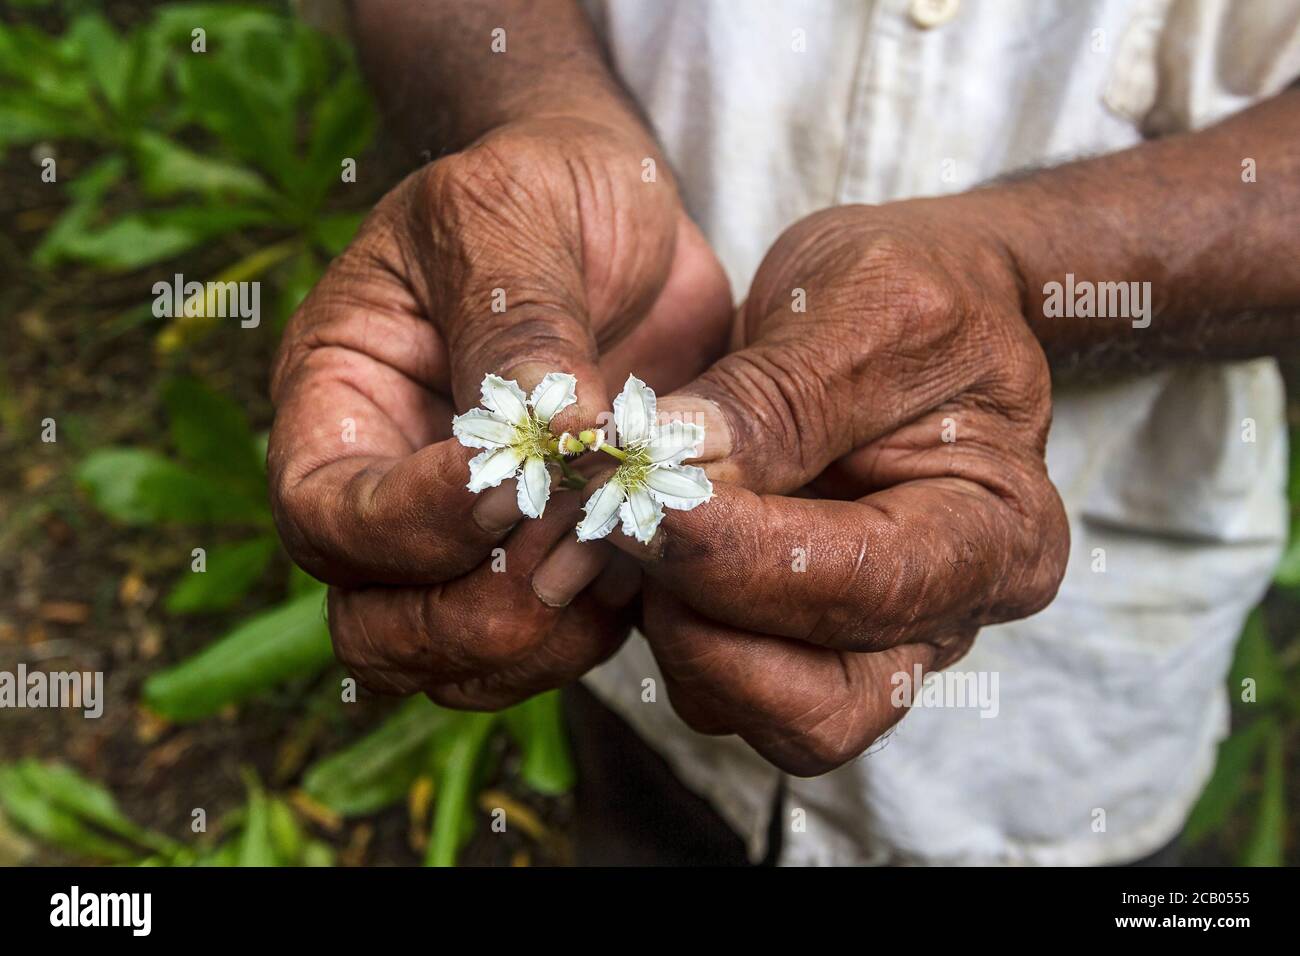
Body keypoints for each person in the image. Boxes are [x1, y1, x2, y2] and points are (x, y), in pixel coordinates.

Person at [271, 0, 1300, 865]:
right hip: (627, 633)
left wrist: (1017, 269)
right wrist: (536, 112)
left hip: (1060, 708)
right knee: (643, 801)